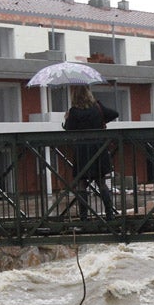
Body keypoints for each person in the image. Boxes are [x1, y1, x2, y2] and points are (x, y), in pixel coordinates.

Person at [62, 85, 118, 220]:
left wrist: (67, 118)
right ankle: (110, 215)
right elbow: (114, 114)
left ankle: (84, 218)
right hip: (99, 150)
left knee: (81, 184)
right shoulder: (97, 107)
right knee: (101, 183)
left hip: (82, 151)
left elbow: (69, 130)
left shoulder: (74, 112)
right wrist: (102, 119)